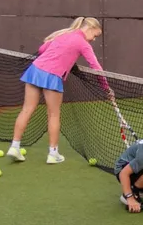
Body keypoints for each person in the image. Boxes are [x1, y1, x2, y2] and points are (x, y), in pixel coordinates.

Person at [6, 16, 110, 164]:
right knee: (54, 115)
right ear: (89, 28)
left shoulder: (62, 35)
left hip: (35, 70)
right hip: (52, 76)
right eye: (95, 35)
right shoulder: (83, 44)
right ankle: (53, 154)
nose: (94, 39)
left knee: (26, 109)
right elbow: (96, 67)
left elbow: (42, 49)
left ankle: (14, 147)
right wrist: (106, 87)